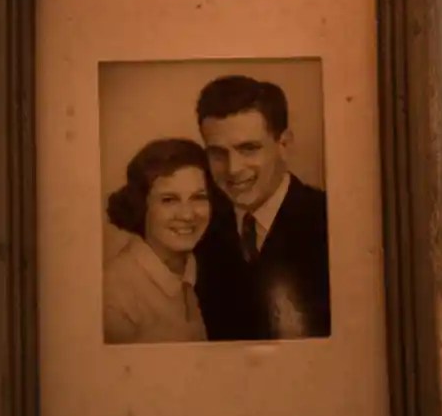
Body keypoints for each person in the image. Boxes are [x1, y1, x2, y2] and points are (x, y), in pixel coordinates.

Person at [193, 75, 331, 340]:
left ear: (284, 145)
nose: (233, 169)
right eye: (217, 153)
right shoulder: (200, 226)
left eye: (249, 149)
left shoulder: (328, 221)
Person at [102, 138, 213, 344]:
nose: (188, 215)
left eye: (199, 197)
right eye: (169, 200)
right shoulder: (115, 297)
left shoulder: (194, 272)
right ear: (142, 206)